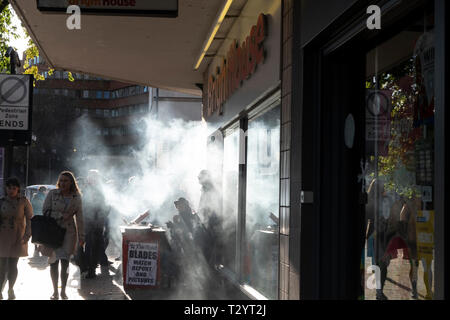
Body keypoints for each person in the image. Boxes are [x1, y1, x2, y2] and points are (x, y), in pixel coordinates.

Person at [38, 171, 84, 300]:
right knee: (53, 261)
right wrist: (60, 216)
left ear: (71, 183)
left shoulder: (77, 197)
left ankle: (63, 291)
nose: (63, 183)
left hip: (69, 233)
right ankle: (55, 291)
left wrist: (82, 237)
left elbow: (80, 219)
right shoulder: (53, 194)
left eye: (66, 181)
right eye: (61, 181)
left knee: (65, 262)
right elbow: (45, 210)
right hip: (52, 231)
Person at [0, 177, 33, 300]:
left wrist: (27, 235)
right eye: (9, 188)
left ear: (18, 189)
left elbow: (30, 219)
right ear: (6, 188)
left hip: (18, 236)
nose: (11, 190)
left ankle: (10, 289)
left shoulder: (24, 201)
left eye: (14, 188)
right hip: (2, 236)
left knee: (13, 265)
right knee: (2, 266)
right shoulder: (1, 201)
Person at [82, 169, 110, 278]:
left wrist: (100, 220)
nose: (92, 178)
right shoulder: (84, 189)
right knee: (87, 246)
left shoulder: (102, 190)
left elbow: (107, 206)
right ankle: (88, 266)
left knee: (92, 246)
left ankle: (91, 269)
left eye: (94, 176)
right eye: (90, 176)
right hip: (85, 221)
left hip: (96, 223)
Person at [197, 170, 223, 267]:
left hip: (211, 226)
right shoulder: (204, 190)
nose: (199, 182)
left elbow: (213, 209)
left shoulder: (211, 191)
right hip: (206, 225)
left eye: (200, 179)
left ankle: (211, 269)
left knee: (210, 251)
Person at [31, 186, 47, 257]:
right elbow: (45, 207)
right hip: (42, 217)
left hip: (34, 217)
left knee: (35, 232)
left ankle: (35, 247)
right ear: (44, 191)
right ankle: (40, 247)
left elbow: (32, 205)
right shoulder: (44, 197)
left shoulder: (34, 197)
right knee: (42, 233)